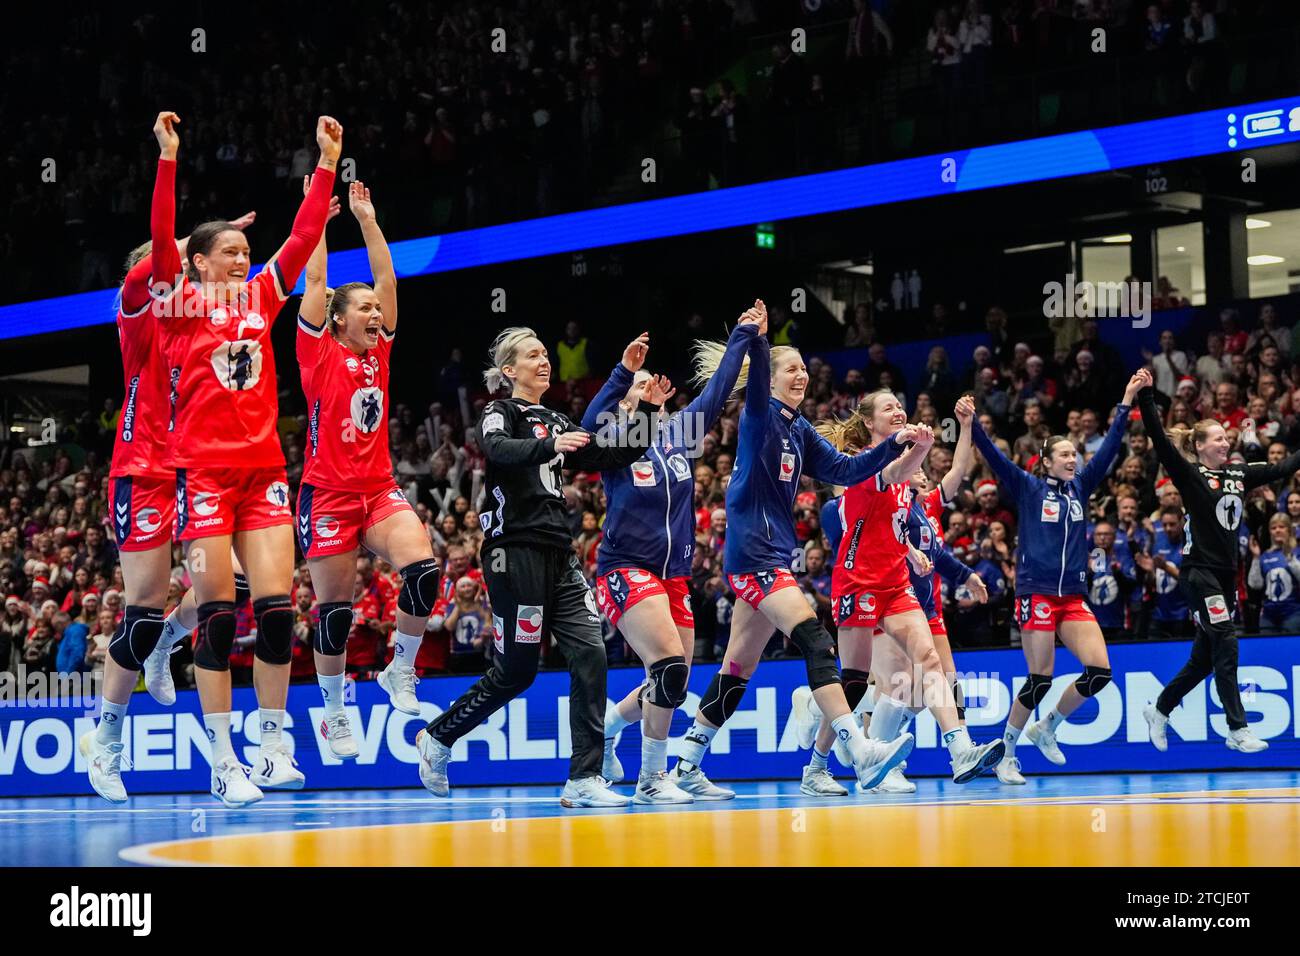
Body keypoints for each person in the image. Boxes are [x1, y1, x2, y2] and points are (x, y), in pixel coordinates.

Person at [148, 110, 341, 807]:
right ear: (200, 262)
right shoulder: (176, 302)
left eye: (242, 250)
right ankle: (223, 761)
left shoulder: (262, 294)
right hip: (201, 476)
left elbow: (302, 236)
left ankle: (271, 745)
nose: (241, 258)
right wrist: (169, 156)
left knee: (279, 612)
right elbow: (163, 254)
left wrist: (325, 164)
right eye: (229, 250)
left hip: (262, 473)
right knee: (218, 615)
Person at [80, 113, 263, 803]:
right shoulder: (136, 311)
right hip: (142, 473)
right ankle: (109, 738)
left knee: (235, 590)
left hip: (202, 468)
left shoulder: (203, 311)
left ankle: (164, 646)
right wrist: (187, 219)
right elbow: (158, 254)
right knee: (143, 608)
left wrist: (218, 250)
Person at [415, 327, 671, 808]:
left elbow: (613, 454)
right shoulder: (500, 410)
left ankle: (583, 777)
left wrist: (652, 412)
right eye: (532, 355)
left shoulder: (557, 418)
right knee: (517, 671)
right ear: (509, 370)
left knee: (591, 654)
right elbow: (496, 451)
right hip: (513, 552)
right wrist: (550, 446)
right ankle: (438, 737)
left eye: (545, 354)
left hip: (560, 552)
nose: (543, 361)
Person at [667, 308, 917, 794]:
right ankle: (860, 751)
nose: (801, 374)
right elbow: (758, 375)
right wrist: (759, 339)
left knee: (737, 669)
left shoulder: (799, 429)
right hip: (753, 555)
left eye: (805, 368)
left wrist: (896, 448)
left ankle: (687, 766)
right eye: (791, 368)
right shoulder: (759, 412)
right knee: (816, 640)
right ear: (772, 378)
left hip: (771, 556)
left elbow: (844, 472)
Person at [586, 307, 760, 804]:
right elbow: (587, 421)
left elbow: (718, 391)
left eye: (652, 389)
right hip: (624, 567)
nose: (652, 394)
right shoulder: (615, 445)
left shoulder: (680, 436)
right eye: (639, 393)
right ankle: (651, 779)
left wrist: (743, 335)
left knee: (673, 681)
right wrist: (624, 376)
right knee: (667, 667)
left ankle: (608, 727)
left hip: (675, 574)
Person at [295, 179, 443, 757]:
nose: (377, 312)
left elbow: (388, 279)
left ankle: (398, 670)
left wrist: (368, 219)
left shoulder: (380, 350)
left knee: (424, 572)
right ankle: (333, 709)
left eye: (378, 310)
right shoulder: (318, 352)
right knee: (335, 612)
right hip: (327, 494)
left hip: (378, 490)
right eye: (363, 308)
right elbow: (313, 280)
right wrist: (317, 216)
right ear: (337, 319)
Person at [795, 391, 1004, 794]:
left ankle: (959, 748)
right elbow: (890, 474)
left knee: (929, 661)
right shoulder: (861, 466)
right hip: (858, 584)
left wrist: (911, 552)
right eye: (887, 407)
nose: (897, 410)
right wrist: (920, 447)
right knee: (855, 684)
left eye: (899, 405)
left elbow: (902, 523)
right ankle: (816, 768)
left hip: (896, 584)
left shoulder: (906, 478)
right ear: (870, 424)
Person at [972, 369, 1148, 784]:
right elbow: (994, 458)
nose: (1074, 459)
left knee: (1099, 673)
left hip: (1072, 595)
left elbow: (1107, 449)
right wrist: (970, 423)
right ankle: (1007, 755)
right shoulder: (1028, 486)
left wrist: (1127, 397)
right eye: (1065, 455)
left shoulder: (1081, 487)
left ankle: (1047, 726)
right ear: (1045, 461)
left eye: (1075, 455)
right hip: (1035, 592)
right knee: (1040, 678)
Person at [1139, 382, 1300, 754]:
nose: (1225, 444)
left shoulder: (1238, 475)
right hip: (1199, 573)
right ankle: (1237, 728)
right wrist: (1147, 397)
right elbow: (1160, 440)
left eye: (1227, 439)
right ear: (1198, 446)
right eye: (1216, 439)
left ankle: (1160, 709)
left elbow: (1281, 467)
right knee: (1226, 641)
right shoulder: (1190, 474)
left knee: (1204, 659)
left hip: (1226, 577)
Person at [1247, 513, 1300, 633]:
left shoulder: (1297, 552)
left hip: (1293, 613)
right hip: (1268, 616)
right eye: (1274, 527)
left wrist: (1289, 556)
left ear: (1289, 530)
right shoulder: (1265, 555)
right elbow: (1255, 585)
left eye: (1281, 527)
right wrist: (1256, 558)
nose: (1277, 530)